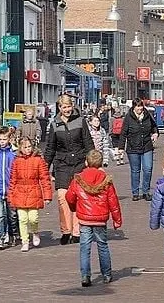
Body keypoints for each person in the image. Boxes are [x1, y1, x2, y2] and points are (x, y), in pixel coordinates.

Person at [66, 149, 123, 287]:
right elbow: (113, 201)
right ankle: (107, 274)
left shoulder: (78, 179)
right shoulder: (106, 180)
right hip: (100, 219)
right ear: (101, 163)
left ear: (86, 162)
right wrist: (117, 220)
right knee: (102, 245)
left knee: (85, 247)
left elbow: (70, 197)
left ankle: (85, 276)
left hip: (84, 218)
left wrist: (74, 208)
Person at [43, 93, 95, 245]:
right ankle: (66, 231)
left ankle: (77, 232)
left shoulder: (80, 121)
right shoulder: (54, 124)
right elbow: (50, 148)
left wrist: (92, 162)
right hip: (62, 164)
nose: (67, 110)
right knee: (62, 197)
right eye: (64, 107)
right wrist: (45, 167)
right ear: (59, 108)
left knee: (78, 197)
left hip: (79, 163)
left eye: (69, 106)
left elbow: (88, 143)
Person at [8, 137, 53, 252]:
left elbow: (45, 178)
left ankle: (35, 231)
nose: (28, 149)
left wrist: (47, 195)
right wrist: (10, 196)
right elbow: (12, 180)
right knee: (22, 219)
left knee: (33, 218)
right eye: (25, 147)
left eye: (29, 147)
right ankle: (25, 241)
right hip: (19, 192)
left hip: (33, 191)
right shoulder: (16, 161)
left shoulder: (38, 160)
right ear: (20, 148)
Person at [118, 98, 159, 201]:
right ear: (133, 107)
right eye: (137, 106)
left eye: (141, 106)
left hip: (147, 146)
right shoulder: (128, 117)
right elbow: (123, 133)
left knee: (148, 169)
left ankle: (146, 191)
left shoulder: (147, 115)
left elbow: (154, 126)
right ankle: (135, 192)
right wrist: (121, 147)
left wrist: (155, 133)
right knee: (135, 170)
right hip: (133, 148)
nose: (140, 108)